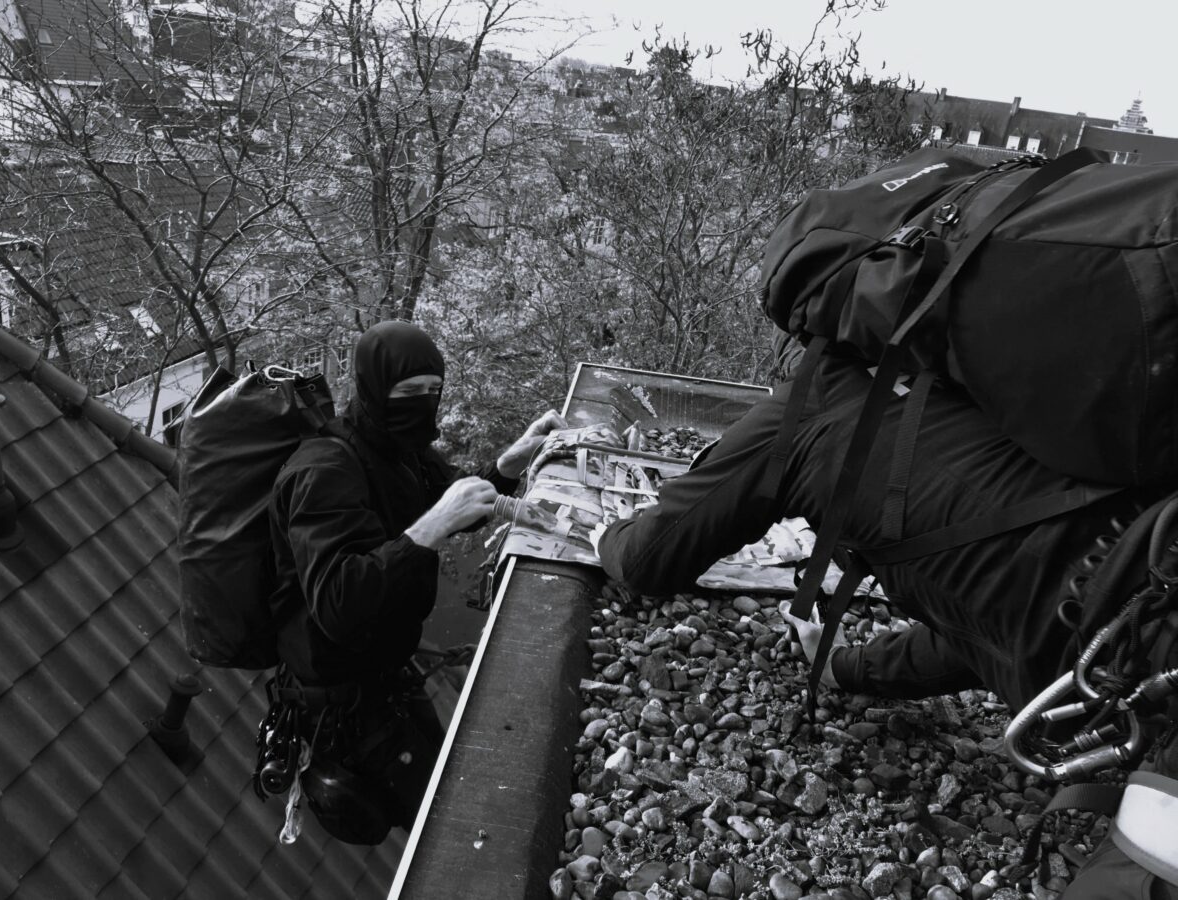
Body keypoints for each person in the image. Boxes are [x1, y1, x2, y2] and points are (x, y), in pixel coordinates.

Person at [593, 347, 1178, 898]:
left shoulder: (816, 397)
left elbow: (649, 560)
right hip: (1150, 581)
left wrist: (603, 534)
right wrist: (844, 668)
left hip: (1141, 655)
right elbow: (980, 626)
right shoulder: (986, 384)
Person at [265, 320, 565, 843]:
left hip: (386, 679)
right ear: (374, 388)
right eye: (408, 391)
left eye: (433, 390)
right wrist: (433, 524)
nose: (422, 403)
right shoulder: (324, 471)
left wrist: (509, 463)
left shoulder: (397, 446)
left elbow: (455, 507)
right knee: (453, 830)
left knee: (452, 792)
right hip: (343, 707)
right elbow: (338, 602)